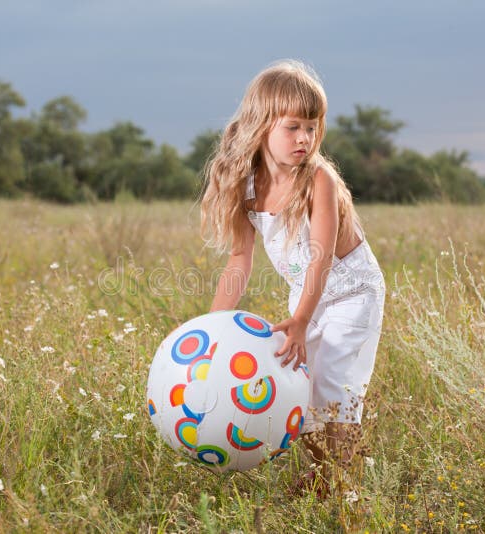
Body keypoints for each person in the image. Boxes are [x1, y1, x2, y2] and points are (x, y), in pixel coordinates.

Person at [199, 60, 385, 494]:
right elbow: (238, 262)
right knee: (299, 388)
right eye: (294, 127)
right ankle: (327, 475)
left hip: (351, 296)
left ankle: (338, 483)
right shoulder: (248, 187)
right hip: (307, 298)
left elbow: (320, 257)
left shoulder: (319, 180)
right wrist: (210, 330)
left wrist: (300, 321)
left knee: (332, 387)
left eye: (314, 126)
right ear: (262, 126)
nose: (306, 138)